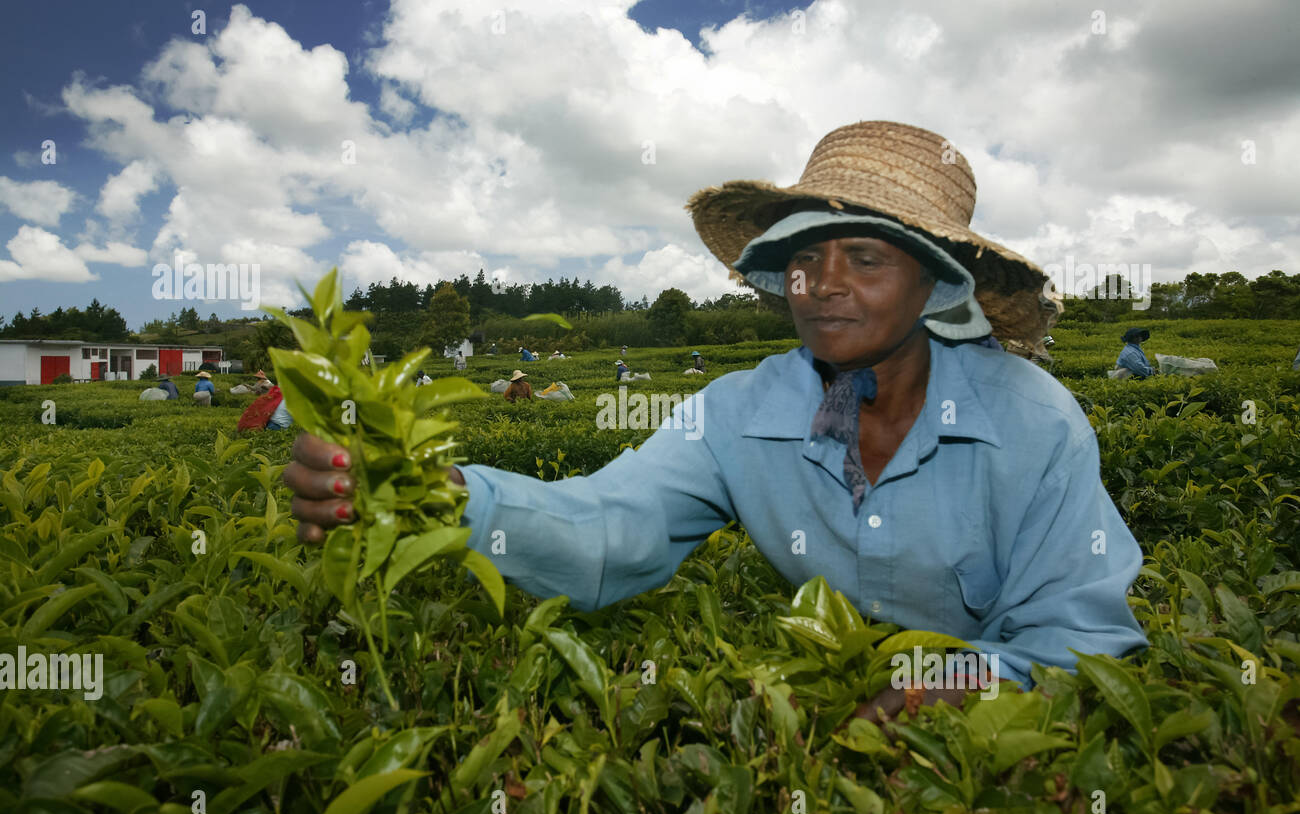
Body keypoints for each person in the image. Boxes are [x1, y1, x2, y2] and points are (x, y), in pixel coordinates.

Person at [283, 120, 1146, 721]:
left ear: (936, 286)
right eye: (805, 259)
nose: (825, 283)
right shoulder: (738, 414)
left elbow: (1086, 632)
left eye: (868, 258)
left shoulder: (1035, 424)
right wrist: (448, 496)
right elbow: (611, 526)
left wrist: (961, 683)